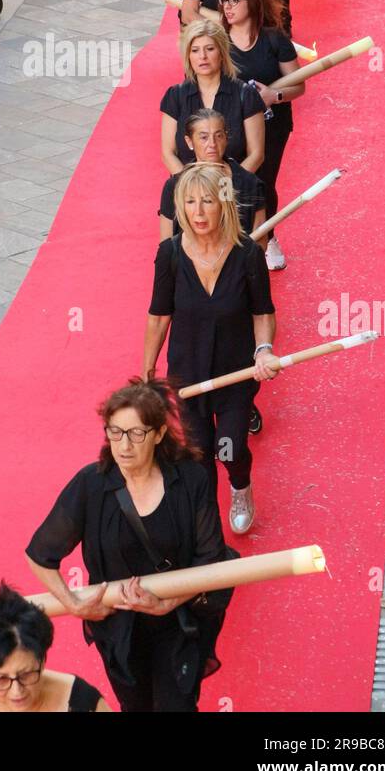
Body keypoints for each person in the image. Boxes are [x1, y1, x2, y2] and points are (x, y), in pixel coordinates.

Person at [26, 377, 238, 713]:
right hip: (119, 629)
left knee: (177, 706)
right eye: (115, 432)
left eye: (137, 433)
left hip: (179, 621)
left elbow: (211, 559)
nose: (124, 445)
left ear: (158, 434)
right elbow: (40, 556)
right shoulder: (90, 484)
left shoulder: (191, 480)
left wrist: (167, 604)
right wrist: (74, 604)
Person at [143, 164, 277, 531]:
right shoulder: (169, 255)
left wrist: (263, 349)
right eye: (189, 202)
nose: (198, 212)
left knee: (229, 448)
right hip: (187, 374)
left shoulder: (248, 254)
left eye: (207, 201)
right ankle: (204, 521)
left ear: (224, 204)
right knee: (199, 452)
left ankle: (240, 486)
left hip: (235, 373)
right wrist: (147, 372)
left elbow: (262, 311)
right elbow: (158, 316)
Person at [220, 0, 304, 271]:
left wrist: (273, 95)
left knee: (263, 180)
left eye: (234, 0)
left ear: (251, 3)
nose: (227, 7)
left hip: (272, 124)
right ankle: (230, 238)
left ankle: (267, 238)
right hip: (229, 125)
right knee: (230, 180)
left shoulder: (273, 38)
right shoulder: (217, 38)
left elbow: (299, 85)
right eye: (223, 1)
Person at [0, 582, 109, 713]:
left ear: (42, 661)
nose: (17, 691)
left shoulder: (83, 704)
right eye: (1, 679)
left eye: (26, 675)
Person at [160, 20, 265, 175]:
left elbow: (256, 155)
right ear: (188, 56)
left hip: (232, 190)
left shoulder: (246, 94)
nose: (202, 56)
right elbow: (168, 153)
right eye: (195, 50)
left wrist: (223, 185)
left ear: (222, 53)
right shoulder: (175, 95)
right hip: (188, 192)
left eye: (209, 49)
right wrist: (192, 186)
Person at [158, 110, 266, 244]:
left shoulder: (250, 183)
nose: (212, 144)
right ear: (189, 141)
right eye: (204, 137)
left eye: (219, 136)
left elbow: (260, 244)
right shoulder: (174, 186)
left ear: (226, 138)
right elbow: (165, 244)